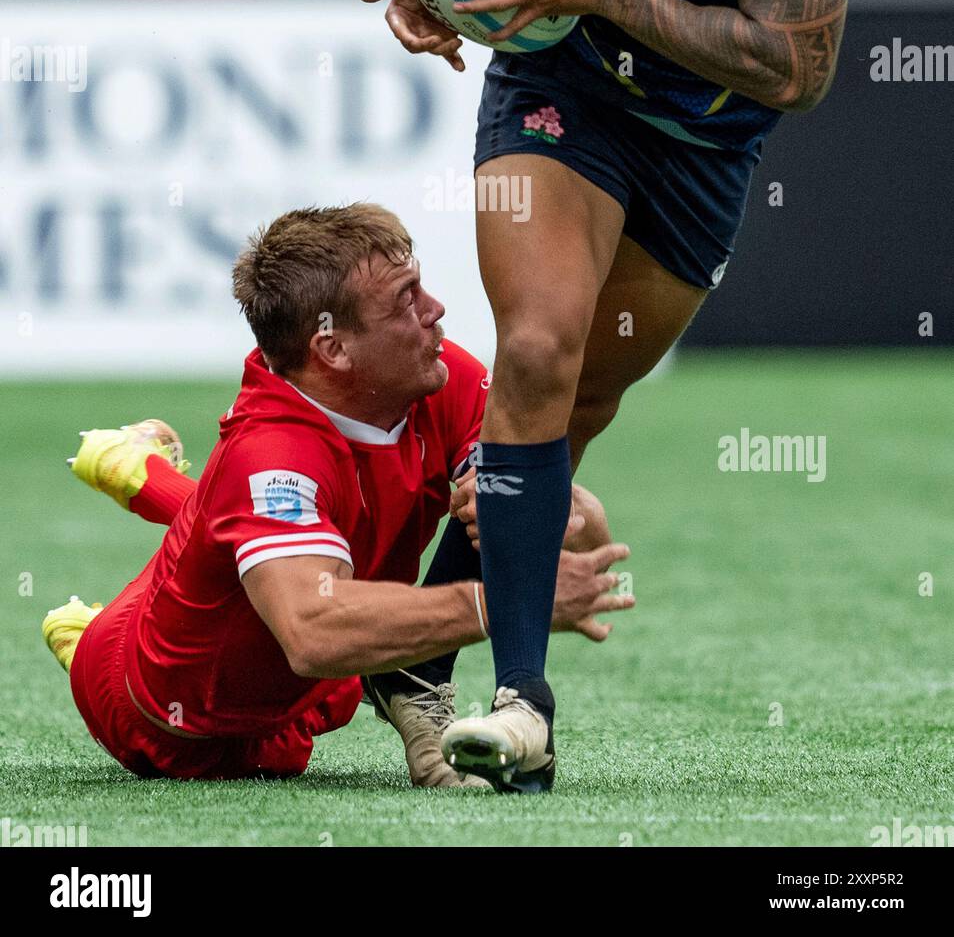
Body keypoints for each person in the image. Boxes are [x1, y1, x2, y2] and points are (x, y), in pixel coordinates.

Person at [362, 0, 862, 792]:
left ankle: (414, 647)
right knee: (537, 347)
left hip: (704, 143)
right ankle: (519, 704)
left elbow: (797, 71)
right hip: (560, 91)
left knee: (583, 392)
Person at [42, 204, 631, 787]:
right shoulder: (271, 455)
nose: (436, 310)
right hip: (159, 718)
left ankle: (131, 467)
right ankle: (91, 613)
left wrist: (567, 516)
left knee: (479, 502)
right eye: (406, 300)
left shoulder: (434, 371)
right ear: (334, 350)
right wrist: (497, 601)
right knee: (290, 580)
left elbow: (563, 533)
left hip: (304, 691)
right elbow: (314, 633)